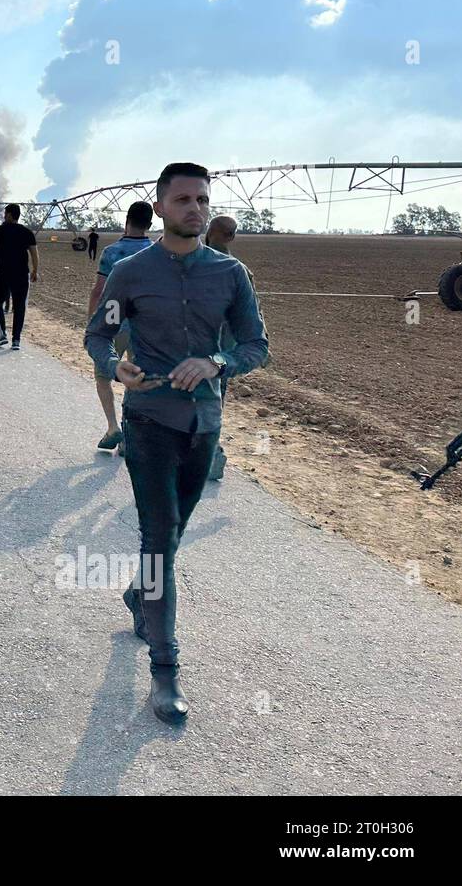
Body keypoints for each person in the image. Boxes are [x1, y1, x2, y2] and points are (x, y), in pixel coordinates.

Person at [85, 163, 268, 727]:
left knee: (174, 532)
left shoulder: (231, 275)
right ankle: (165, 672)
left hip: (204, 426)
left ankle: (142, 597)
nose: (195, 208)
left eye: (203, 199)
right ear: (160, 207)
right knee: (160, 535)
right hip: (148, 423)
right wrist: (117, 366)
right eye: (183, 199)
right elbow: (97, 334)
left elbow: (256, 346)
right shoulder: (131, 274)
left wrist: (216, 360)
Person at [87, 201, 155, 453]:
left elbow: (98, 291)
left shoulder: (111, 252)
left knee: (103, 376)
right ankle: (128, 435)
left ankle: (113, 425)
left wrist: (92, 322)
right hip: (144, 327)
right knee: (135, 379)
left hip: (114, 322)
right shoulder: (156, 252)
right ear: (149, 224)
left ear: (126, 220)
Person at [203, 214, 264, 482]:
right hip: (222, 353)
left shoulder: (192, 262)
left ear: (208, 232)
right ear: (232, 236)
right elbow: (254, 315)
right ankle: (210, 454)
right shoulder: (241, 270)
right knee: (215, 400)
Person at [0, 203, 38, 350]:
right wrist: (35, 270)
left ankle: (2, 335)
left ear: (9, 214)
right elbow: (34, 253)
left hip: (3, 273)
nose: (4, 215)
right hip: (22, 274)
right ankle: (16, 341)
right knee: (20, 307)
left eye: (5, 213)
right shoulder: (27, 232)